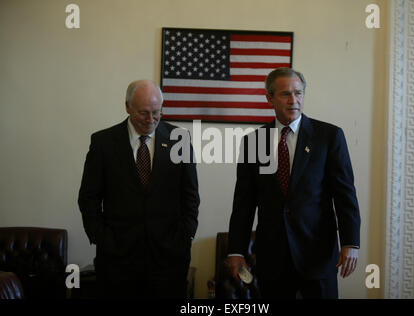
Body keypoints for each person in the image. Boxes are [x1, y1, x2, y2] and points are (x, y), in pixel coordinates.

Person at [226, 67, 360, 299]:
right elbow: (244, 203)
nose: (293, 100)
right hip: (272, 258)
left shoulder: (328, 136)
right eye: (285, 94)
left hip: (317, 255)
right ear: (269, 98)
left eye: (298, 93)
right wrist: (236, 250)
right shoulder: (253, 142)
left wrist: (351, 243)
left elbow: (345, 194)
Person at [78, 80, 200, 298]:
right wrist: (101, 237)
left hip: (169, 257)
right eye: (143, 113)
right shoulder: (103, 142)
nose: (151, 120)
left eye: (156, 112)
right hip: (117, 258)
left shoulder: (179, 139)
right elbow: (89, 197)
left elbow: (190, 195)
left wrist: (186, 235)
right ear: (127, 106)